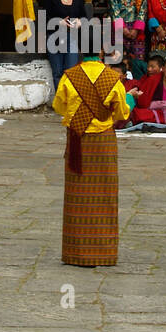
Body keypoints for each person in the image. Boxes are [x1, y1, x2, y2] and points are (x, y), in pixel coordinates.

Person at [52, 46, 130, 266]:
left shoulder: (70, 76)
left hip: (78, 138)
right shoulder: (112, 78)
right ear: (102, 52)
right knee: (104, 194)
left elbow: (59, 106)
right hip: (103, 142)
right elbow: (122, 113)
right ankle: (103, 252)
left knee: (77, 195)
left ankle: (76, 252)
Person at [41, 0, 87, 88]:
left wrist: (79, 22)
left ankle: (68, 102)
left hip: (72, 38)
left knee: (70, 71)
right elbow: (43, 18)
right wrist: (59, 22)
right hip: (54, 37)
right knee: (57, 72)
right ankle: (60, 104)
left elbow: (84, 17)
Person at [109, 0, 149, 70]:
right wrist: (123, 28)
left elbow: (143, 9)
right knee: (118, 58)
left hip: (137, 29)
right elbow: (114, 8)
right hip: (120, 28)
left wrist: (136, 29)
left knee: (137, 60)